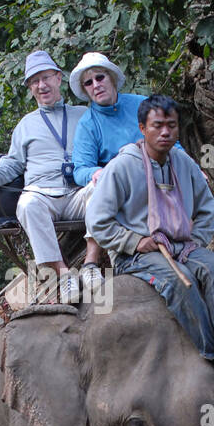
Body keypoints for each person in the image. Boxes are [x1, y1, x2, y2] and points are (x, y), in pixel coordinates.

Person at [86, 95, 214, 380]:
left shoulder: (183, 162)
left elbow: (206, 208)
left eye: (171, 126)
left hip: (182, 245)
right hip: (137, 256)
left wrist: (195, 241)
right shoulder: (123, 166)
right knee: (181, 282)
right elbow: (96, 220)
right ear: (142, 128)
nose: (165, 132)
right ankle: (208, 355)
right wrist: (135, 242)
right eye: (157, 126)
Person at [0, 49, 91, 300]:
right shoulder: (25, 124)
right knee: (27, 204)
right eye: (34, 81)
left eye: (46, 77)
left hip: (79, 192)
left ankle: (93, 265)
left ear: (59, 78)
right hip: (42, 196)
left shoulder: (84, 114)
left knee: (105, 190)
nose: (41, 85)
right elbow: (13, 163)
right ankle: (64, 274)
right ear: (30, 87)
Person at [69, 50, 150, 281]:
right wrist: (96, 172)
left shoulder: (141, 105)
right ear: (85, 89)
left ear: (112, 78)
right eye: (89, 82)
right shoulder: (88, 124)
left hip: (151, 177)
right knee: (101, 190)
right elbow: (80, 168)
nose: (96, 85)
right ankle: (96, 263)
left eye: (100, 77)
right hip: (117, 187)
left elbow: (170, 142)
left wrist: (193, 167)